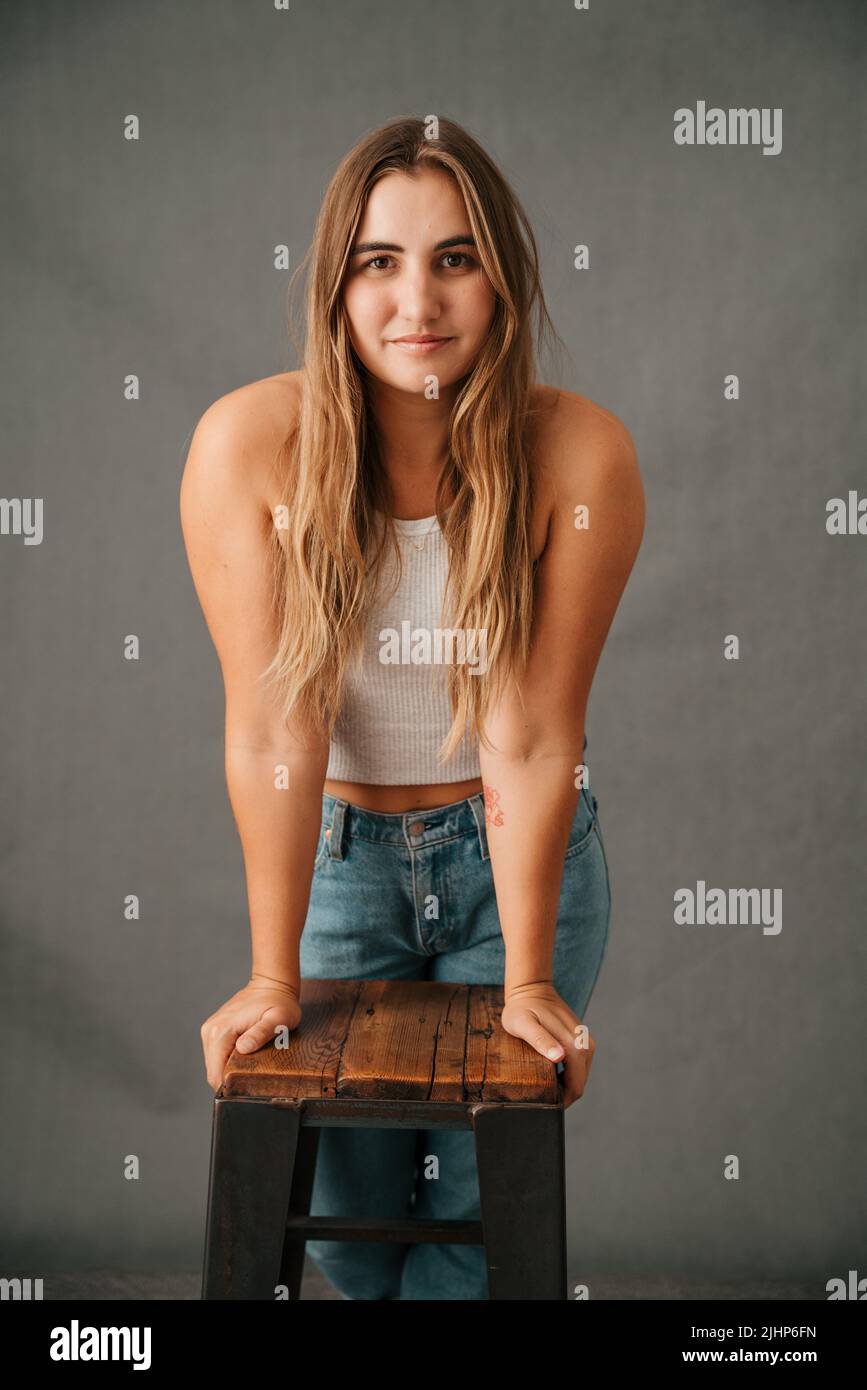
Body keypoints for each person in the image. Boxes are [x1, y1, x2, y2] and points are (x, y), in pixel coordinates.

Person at [181, 115, 644, 1300]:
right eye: (380, 261)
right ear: (337, 284)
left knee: (474, 1218)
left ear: (504, 278)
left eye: (455, 256)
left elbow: (532, 736)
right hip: (337, 861)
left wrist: (530, 977)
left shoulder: (580, 453)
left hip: (513, 862)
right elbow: (272, 729)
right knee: (344, 1216)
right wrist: (272, 972)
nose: (417, 299)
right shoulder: (250, 445)